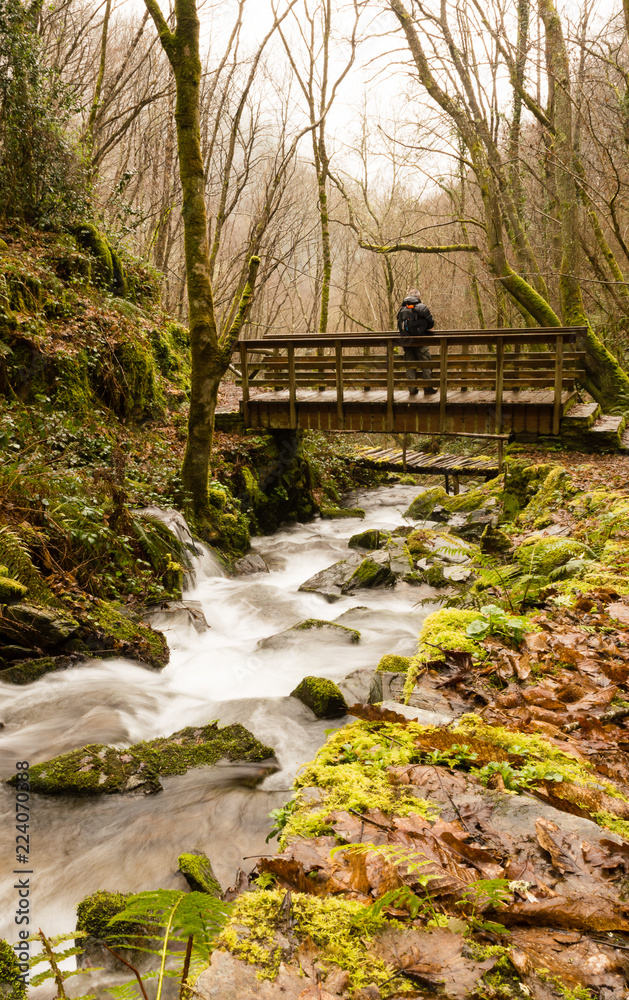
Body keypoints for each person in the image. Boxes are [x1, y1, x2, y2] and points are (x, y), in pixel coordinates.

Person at [396, 289, 436, 395]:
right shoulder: (421, 307)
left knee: (410, 365)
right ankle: (427, 388)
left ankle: (412, 389)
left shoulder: (402, 309)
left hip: (407, 342)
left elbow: (399, 325)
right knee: (426, 363)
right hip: (420, 340)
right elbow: (431, 323)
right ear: (418, 297)